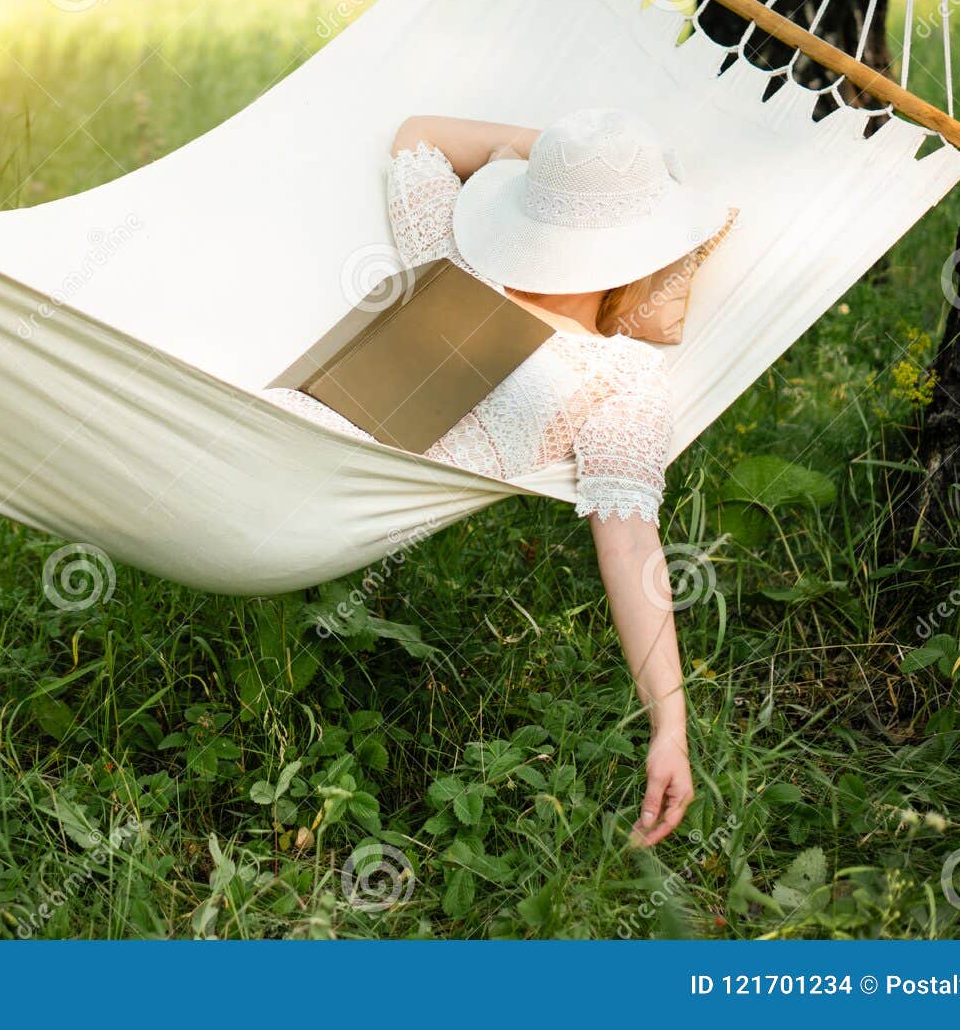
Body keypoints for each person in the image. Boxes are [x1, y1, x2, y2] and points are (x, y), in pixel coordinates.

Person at [266, 107, 731, 847]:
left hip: (275, 456)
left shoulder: (456, 255)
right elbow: (632, 548)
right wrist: (560, 158)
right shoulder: (608, 366)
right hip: (273, 452)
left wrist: (530, 158)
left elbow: (420, 135)